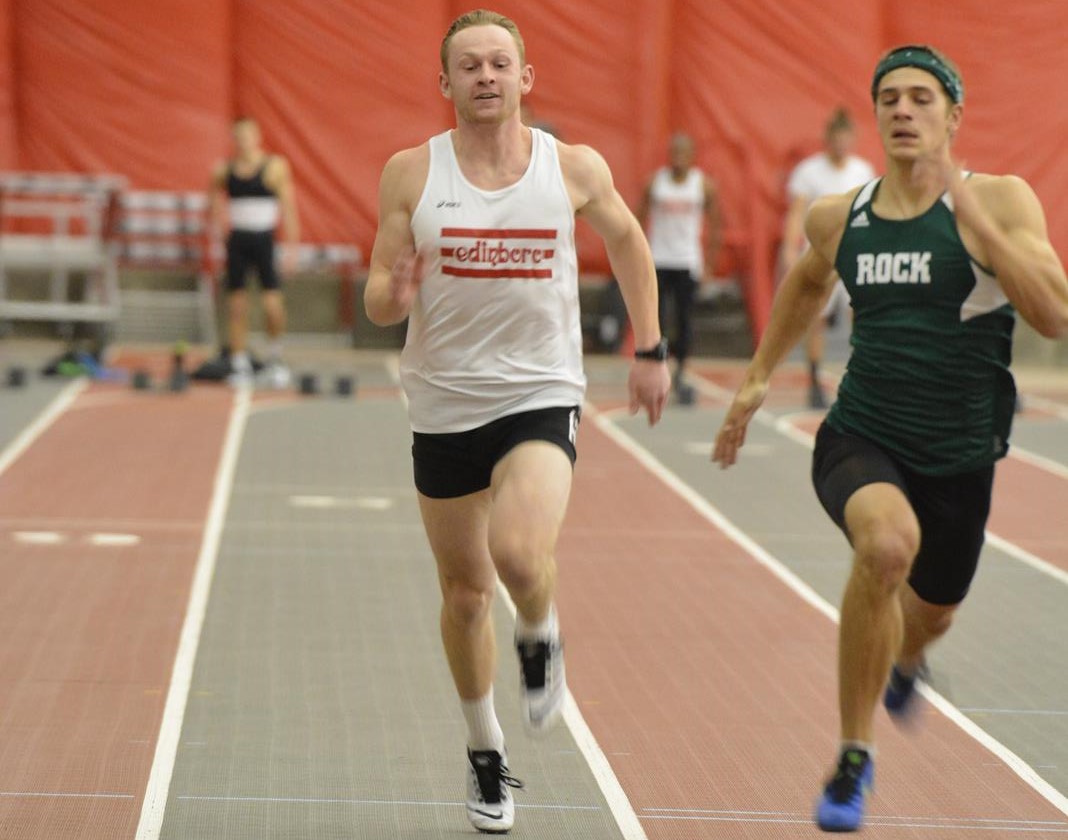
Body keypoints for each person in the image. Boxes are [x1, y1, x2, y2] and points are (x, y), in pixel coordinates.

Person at [712, 45, 1068, 832]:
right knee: (884, 548)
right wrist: (759, 375)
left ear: (953, 115)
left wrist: (974, 223)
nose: (903, 111)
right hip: (861, 434)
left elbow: (1053, 315)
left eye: (921, 98)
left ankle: (909, 660)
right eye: (890, 99)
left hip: (962, 453)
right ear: (876, 115)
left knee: (931, 611)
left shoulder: (1002, 202)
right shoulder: (843, 215)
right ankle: (854, 755)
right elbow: (807, 280)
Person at [364, 10, 670, 834]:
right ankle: (485, 753)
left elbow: (632, 244)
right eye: (470, 66)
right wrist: (394, 290)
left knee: (518, 553)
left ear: (526, 77)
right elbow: (378, 298)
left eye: (501, 62)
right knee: (464, 595)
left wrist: (651, 346)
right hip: (442, 402)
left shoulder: (570, 168)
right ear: (446, 84)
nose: (487, 77)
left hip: (538, 390)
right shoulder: (410, 175)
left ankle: (540, 632)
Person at [780, 108, 875, 408]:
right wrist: (789, 249)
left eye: (847, 138)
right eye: (837, 138)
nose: (841, 144)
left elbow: (870, 213)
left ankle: (862, 375)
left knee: (859, 314)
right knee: (816, 317)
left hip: (854, 254)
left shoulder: (862, 171)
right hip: (820, 254)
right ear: (828, 139)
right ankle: (815, 378)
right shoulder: (809, 171)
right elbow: (797, 212)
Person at [208, 116, 299, 388]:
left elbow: (289, 207)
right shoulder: (224, 170)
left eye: (248, 136)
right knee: (236, 305)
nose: (243, 142)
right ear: (234, 140)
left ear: (257, 137)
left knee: (272, 304)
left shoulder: (274, 167)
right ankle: (239, 362)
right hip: (237, 242)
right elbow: (213, 203)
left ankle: (274, 357)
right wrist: (219, 235)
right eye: (238, 137)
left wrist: (292, 247)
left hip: (264, 241)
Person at [637, 132, 721, 404]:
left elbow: (717, 224)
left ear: (692, 157)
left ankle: (682, 370)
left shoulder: (702, 185)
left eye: (684, 154)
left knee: (684, 320)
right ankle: (657, 368)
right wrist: (638, 258)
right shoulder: (655, 183)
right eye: (674, 153)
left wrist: (709, 264)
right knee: (657, 319)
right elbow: (636, 221)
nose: (678, 159)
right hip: (659, 259)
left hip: (687, 261)